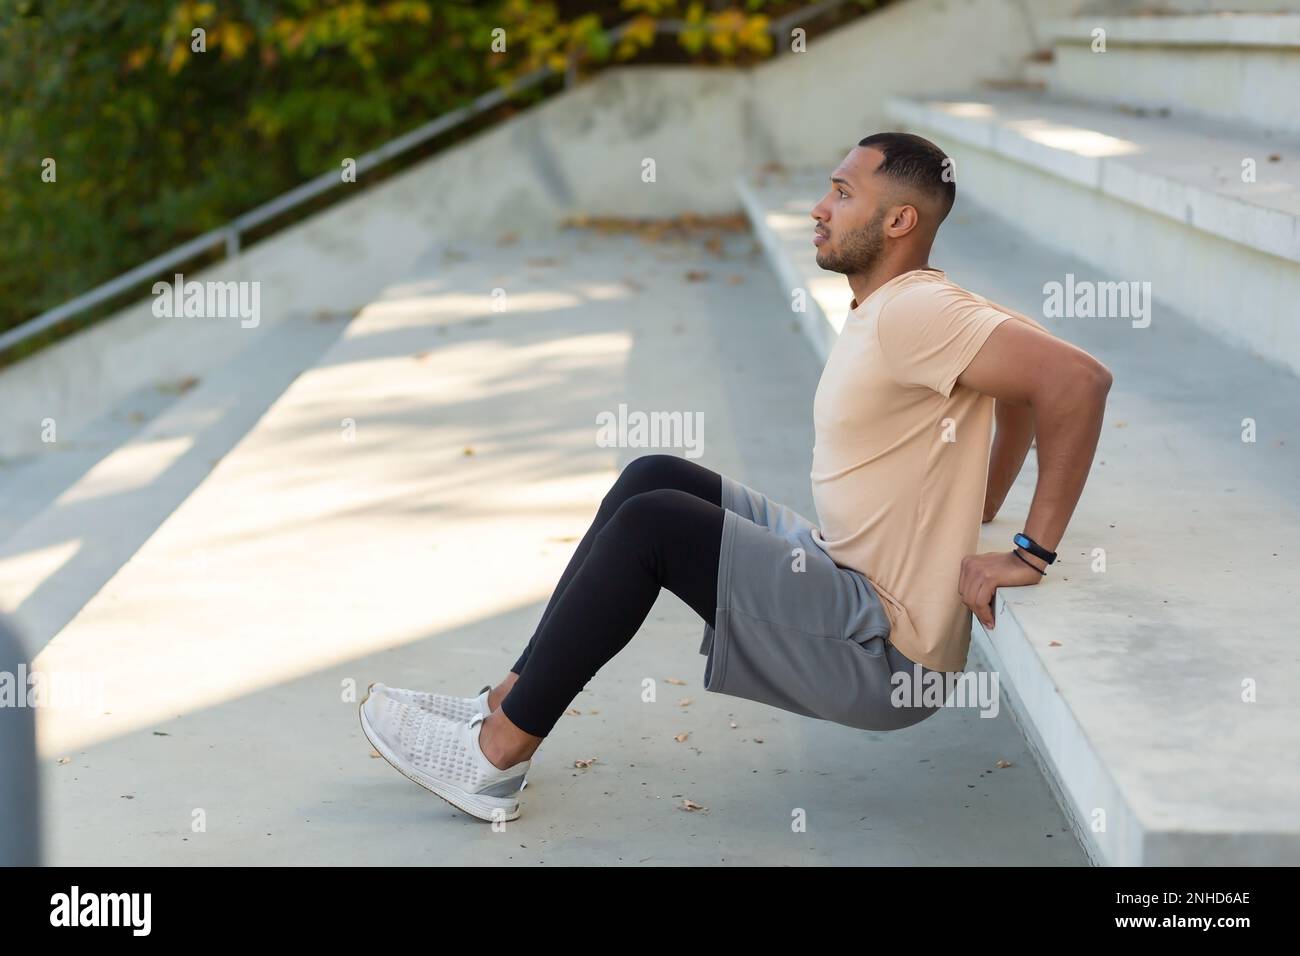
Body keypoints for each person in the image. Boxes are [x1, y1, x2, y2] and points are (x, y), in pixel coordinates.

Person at [359, 131, 1113, 823]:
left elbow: (1075, 382)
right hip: (844, 568)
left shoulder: (913, 313)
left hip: (883, 647)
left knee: (651, 528)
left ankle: (495, 759)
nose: (820, 209)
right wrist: (981, 498)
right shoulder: (917, 301)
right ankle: (505, 701)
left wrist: (1028, 552)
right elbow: (1025, 387)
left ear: (898, 224)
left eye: (844, 194)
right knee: (652, 476)